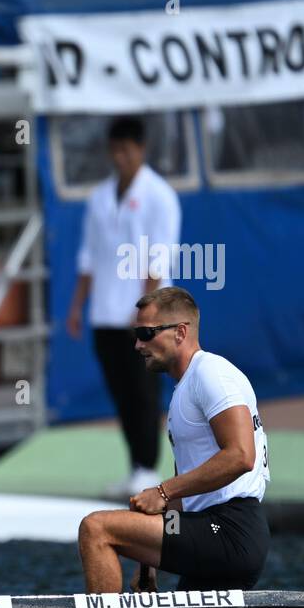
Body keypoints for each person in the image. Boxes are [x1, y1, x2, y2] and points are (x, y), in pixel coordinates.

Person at [77, 287, 270, 593]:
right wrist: (147, 562)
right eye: (136, 334)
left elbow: (241, 456)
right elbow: (187, 493)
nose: (138, 344)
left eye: (146, 333)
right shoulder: (185, 387)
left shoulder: (212, 374)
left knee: (96, 528)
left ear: (180, 332)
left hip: (230, 530)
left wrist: (162, 491)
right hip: (203, 528)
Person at [67, 115, 182, 497]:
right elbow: (88, 255)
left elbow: (158, 255)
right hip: (104, 312)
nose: (120, 158)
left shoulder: (159, 195)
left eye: (127, 150)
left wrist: (145, 308)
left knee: (142, 391)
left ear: (141, 149)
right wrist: (76, 306)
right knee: (119, 392)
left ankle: (148, 468)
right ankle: (134, 465)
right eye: (115, 150)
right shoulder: (100, 196)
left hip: (143, 315)